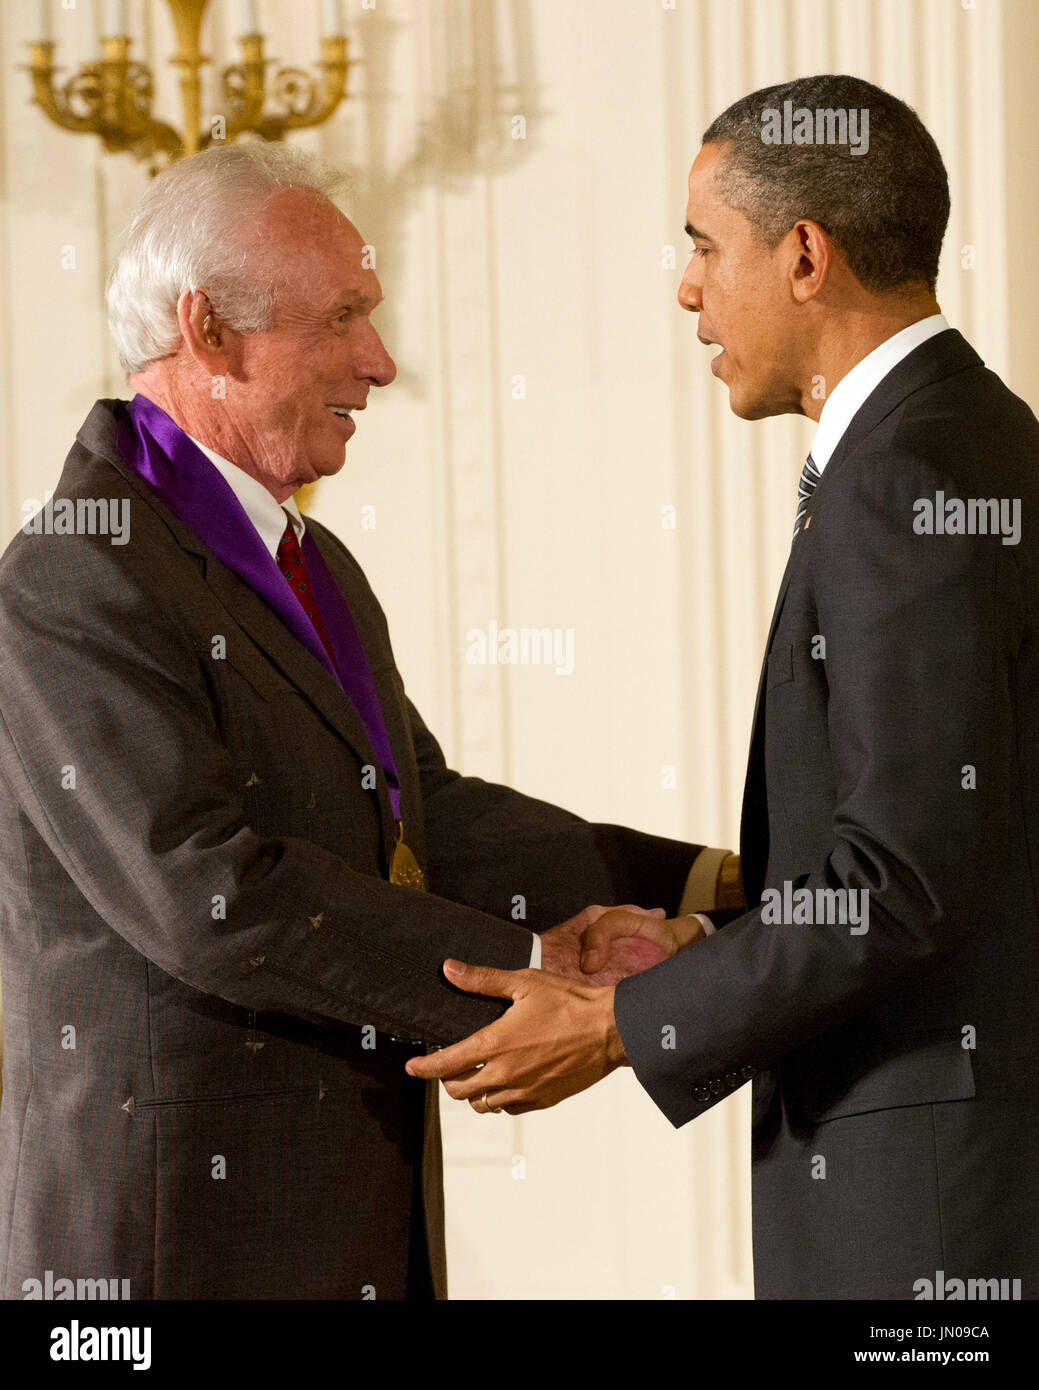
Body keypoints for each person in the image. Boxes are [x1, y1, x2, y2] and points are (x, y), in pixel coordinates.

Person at [0, 142, 731, 1301]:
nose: (380, 364)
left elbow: (413, 815)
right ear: (210, 333)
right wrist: (535, 969)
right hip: (177, 1239)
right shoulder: (75, 571)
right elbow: (205, 892)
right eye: (342, 319)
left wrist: (694, 883)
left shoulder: (312, 556)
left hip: (350, 1214)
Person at [411, 73, 1039, 1300]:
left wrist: (617, 1025)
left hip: (923, 1206)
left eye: (702, 245)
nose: (687, 288)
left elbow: (900, 878)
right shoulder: (966, 434)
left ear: (805, 254)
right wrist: (701, 937)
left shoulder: (903, 470)